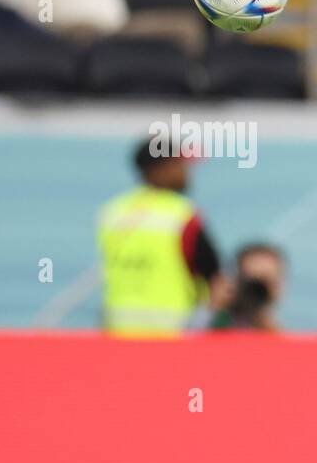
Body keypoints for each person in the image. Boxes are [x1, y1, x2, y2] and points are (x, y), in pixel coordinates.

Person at [97, 141, 226, 337]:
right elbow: (214, 278)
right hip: (171, 333)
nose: (186, 172)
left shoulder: (112, 212)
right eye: (180, 164)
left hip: (117, 331)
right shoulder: (183, 214)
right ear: (159, 169)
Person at [211, 243, 288, 332]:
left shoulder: (281, 335)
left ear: (281, 284)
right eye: (253, 282)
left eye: (266, 280)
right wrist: (214, 308)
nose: (258, 291)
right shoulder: (214, 321)